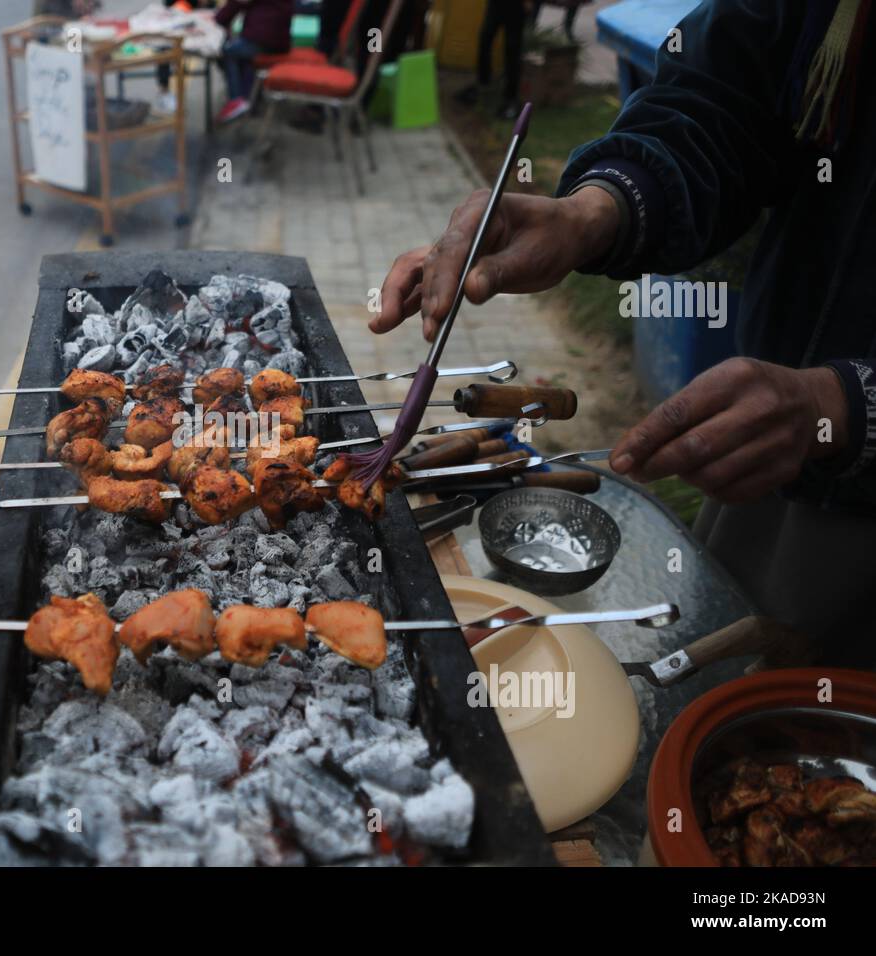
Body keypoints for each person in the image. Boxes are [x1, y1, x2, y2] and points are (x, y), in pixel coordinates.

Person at [373, 0, 875, 666]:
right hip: (780, 465)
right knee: (739, 709)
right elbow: (726, 97)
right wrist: (596, 208)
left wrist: (850, 404)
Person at [214, 0, 295, 124]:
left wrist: (219, 18)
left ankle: (236, 99)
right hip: (279, 37)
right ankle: (249, 96)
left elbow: (236, 4)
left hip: (266, 39)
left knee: (228, 52)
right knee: (241, 53)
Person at [455, 0, 530, 119]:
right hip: (496, 4)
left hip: (516, 6)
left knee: (512, 50)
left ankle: (510, 97)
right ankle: (483, 84)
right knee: (485, 39)